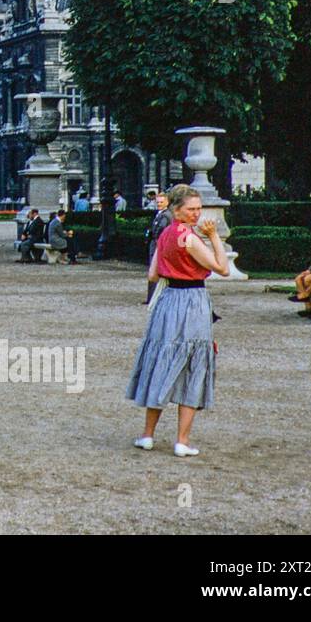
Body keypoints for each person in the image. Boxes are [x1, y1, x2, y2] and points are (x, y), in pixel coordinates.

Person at [127, 183, 228, 457]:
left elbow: (152, 275)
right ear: (177, 210)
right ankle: (182, 440)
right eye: (191, 209)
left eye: (198, 209)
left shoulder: (165, 235)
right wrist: (214, 237)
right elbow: (223, 268)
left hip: (168, 300)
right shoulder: (190, 238)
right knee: (193, 364)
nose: (196, 214)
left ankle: (148, 435)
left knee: (161, 361)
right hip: (193, 300)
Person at [145, 192, 172, 303]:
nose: (159, 204)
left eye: (161, 202)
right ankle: (152, 297)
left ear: (167, 202)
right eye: (158, 202)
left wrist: (154, 238)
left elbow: (161, 230)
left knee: (155, 269)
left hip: (158, 244)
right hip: (155, 243)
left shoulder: (166, 215)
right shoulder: (161, 214)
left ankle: (154, 298)